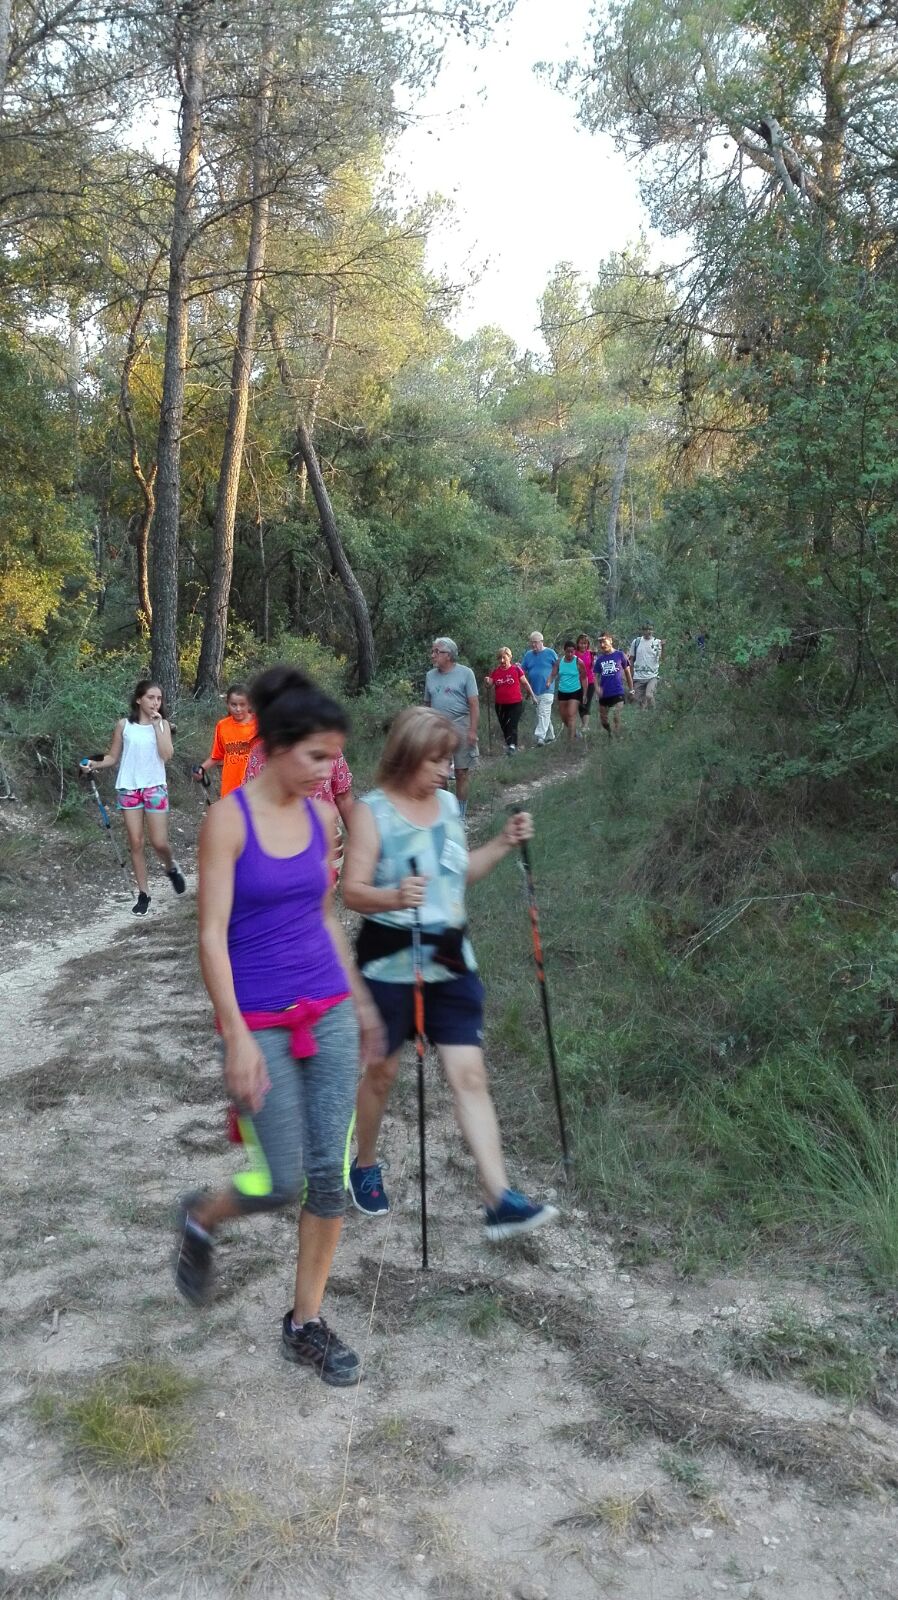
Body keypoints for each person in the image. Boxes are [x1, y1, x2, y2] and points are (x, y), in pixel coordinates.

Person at [173, 666, 384, 1387]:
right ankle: (202, 1215)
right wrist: (233, 1034)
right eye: (318, 757)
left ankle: (305, 1324)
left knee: (328, 1179)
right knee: (280, 1180)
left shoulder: (321, 817)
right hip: (258, 1019)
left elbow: (324, 916)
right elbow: (211, 935)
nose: (331, 773)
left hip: (326, 1011)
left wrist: (357, 997)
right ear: (279, 746)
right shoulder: (228, 820)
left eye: (335, 759)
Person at [342, 706, 559, 1242]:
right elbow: (350, 891)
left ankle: (499, 1199)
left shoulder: (446, 805)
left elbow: (458, 878)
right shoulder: (372, 813)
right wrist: (392, 896)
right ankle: (364, 1163)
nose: (446, 770)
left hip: (451, 959)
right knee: (382, 1074)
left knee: (469, 1076)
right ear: (409, 756)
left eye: (449, 759)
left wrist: (504, 842)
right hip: (389, 962)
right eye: (437, 760)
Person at [81, 679, 186, 916]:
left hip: (155, 787)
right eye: (151, 697)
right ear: (139, 699)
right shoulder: (124, 725)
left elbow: (166, 755)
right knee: (136, 842)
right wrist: (94, 765)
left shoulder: (163, 724)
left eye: (159, 699)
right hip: (129, 788)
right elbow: (112, 757)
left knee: (160, 842)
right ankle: (143, 893)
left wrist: (159, 727)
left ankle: (171, 867)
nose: (155, 702)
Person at [245, 735, 354, 880]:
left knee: (319, 896)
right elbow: (251, 807)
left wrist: (361, 841)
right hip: (278, 845)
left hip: (324, 843)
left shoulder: (330, 749)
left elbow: (344, 798)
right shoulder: (261, 754)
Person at [424, 637, 479, 819]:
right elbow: (426, 704)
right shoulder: (430, 676)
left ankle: (461, 816)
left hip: (461, 725)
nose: (433, 655)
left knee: (461, 772)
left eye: (436, 652)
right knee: (440, 774)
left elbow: (474, 704)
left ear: (448, 655)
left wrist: (472, 730)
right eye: (433, 651)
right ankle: (445, 815)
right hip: (438, 729)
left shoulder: (466, 673)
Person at [193, 683, 257, 797]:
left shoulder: (259, 724)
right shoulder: (222, 726)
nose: (238, 709)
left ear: (249, 704)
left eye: (242, 705)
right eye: (234, 704)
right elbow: (217, 755)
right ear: (227, 704)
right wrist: (202, 768)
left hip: (255, 788)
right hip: (230, 788)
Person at [485, 646, 536, 753]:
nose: (502, 660)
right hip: (500, 704)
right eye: (500, 658)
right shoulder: (495, 671)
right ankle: (510, 745)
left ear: (510, 657)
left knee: (512, 723)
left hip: (515, 703)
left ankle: (512, 745)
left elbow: (525, 683)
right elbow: (489, 685)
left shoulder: (516, 669)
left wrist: (533, 696)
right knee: (504, 725)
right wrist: (487, 681)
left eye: (504, 657)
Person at [520, 630, 559, 747]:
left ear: (541, 642)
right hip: (534, 691)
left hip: (548, 689)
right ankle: (551, 737)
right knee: (542, 714)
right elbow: (522, 671)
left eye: (536, 642)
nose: (533, 645)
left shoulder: (550, 653)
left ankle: (540, 738)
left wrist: (551, 679)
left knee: (543, 713)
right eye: (532, 643)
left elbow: (558, 668)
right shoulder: (528, 655)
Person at [594, 633, 634, 739]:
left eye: (604, 641)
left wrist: (631, 690)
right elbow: (595, 675)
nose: (602, 644)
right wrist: (597, 687)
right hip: (604, 694)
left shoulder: (620, 655)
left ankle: (617, 738)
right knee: (604, 720)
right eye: (600, 642)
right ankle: (610, 733)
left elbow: (628, 673)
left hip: (617, 691)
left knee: (616, 714)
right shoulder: (600, 659)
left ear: (610, 640)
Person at [548, 641, 588, 745]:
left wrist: (584, 694)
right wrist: (549, 681)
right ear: (564, 650)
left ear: (574, 651)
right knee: (564, 717)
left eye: (572, 652)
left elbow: (584, 678)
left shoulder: (578, 662)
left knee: (571, 715)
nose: (570, 654)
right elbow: (553, 674)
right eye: (568, 652)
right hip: (562, 692)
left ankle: (571, 742)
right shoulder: (559, 662)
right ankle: (575, 733)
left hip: (575, 691)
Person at [628, 622, 663, 709]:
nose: (648, 631)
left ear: (653, 630)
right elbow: (631, 659)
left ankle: (654, 714)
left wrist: (664, 647)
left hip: (653, 675)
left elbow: (662, 659)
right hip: (638, 676)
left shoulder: (657, 642)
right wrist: (631, 674)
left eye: (650, 629)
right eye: (646, 629)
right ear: (642, 631)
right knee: (638, 702)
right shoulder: (636, 642)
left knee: (649, 695)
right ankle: (644, 719)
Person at [575, 633, 596, 736]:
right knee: (580, 704)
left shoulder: (591, 654)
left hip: (590, 682)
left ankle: (585, 726)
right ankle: (584, 725)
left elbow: (594, 669)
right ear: (578, 644)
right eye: (581, 643)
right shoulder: (574, 654)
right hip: (577, 683)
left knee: (587, 703)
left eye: (585, 643)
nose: (583, 645)